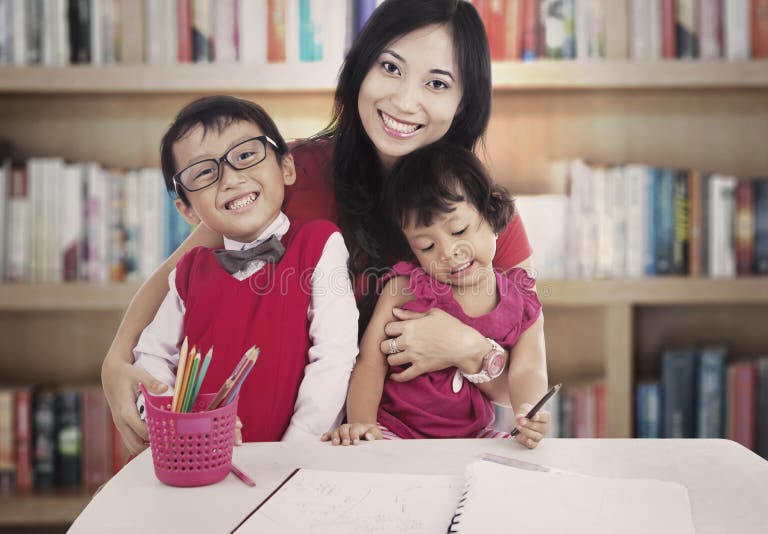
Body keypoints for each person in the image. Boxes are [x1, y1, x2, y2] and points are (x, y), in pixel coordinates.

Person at [102, 0, 550, 454]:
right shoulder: (288, 173)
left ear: (464, 101)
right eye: (390, 68)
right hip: (284, 442)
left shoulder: (481, 214)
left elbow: (517, 384)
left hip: (423, 450)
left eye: (437, 83)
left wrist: (470, 350)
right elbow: (180, 276)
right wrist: (116, 362)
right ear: (360, 68)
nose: (404, 100)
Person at [131, 95, 358, 443]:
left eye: (245, 156)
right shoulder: (188, 272)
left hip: (297, 456)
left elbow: (334, 356)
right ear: (187, 210)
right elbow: (152, 356)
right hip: (200, 456)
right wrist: (179, 425)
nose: (231, 179)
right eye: (204, 172)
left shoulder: (319, 243)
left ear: (286, 168)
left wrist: (295, 448)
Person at [322, 143, 547, 448]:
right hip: (396, 429)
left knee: (509, 459)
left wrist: (529, 413)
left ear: (491, 212)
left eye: (459, 230)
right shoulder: (404, 289)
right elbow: (370, 363)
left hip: (471, 435)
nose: (448, 253)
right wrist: (362, 424)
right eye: (426, 246)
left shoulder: (522, 302)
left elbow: (528, 367)